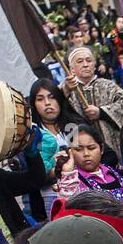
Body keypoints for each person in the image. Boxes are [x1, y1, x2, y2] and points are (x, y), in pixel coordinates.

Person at [28, 77, 86, 220]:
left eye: (52, 97)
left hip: (83, 191)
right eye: (40, 99)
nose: (47, 103)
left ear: (60, 100)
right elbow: (33, 175)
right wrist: (60, 169)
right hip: (49, 197)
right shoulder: (32, 134)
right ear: (34, 105)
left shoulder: (72, 126)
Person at [63, 46, 123, 160]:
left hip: (113, 148)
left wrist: (101, 112)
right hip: (81, 152)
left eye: (89, 61)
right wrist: (65, 93)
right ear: (72, 69)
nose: (85, 64)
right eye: (80, 61)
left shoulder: (109, 86)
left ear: (94, 65)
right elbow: (60, 114)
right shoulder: (65, 89)